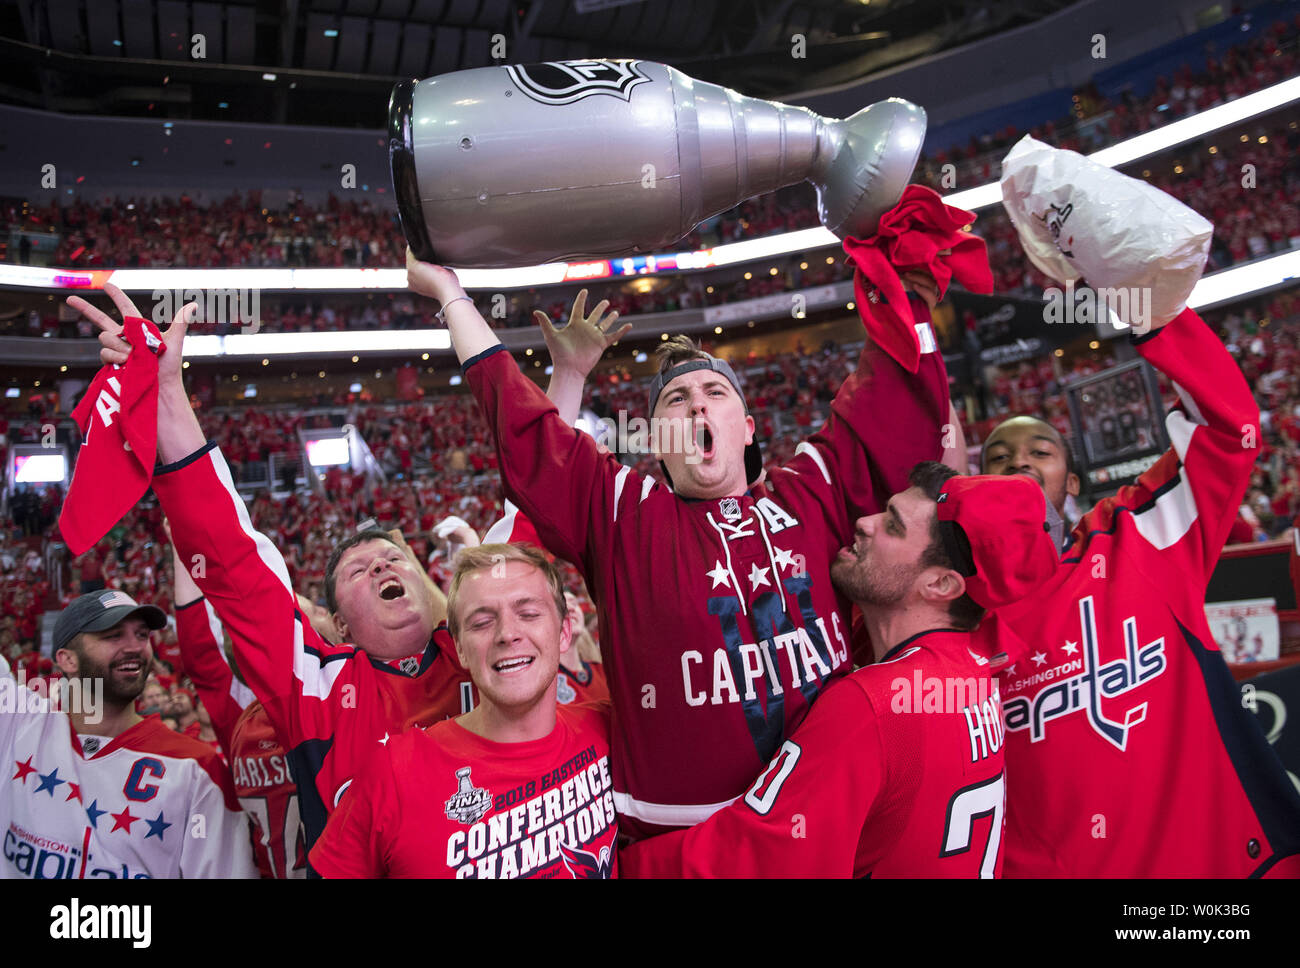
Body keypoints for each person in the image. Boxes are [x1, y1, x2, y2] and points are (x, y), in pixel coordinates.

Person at [408, 199, 965, 838]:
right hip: (681, 846)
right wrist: (451, 296)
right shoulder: (621, 514)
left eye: (715, 392)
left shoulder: (810, 492)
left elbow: (890, 403)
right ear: (654, 438)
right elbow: (526, 430)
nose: (696, 403)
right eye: (676, 398)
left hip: (831, 834)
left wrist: (896, 280)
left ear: (748, 428)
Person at [70, 284, 477, 861]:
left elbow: (537, 537)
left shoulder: (485, 650)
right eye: (360, 568)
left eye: (393, 557)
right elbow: (234, 558)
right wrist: (166, 395)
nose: (383, 561)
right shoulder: (316, 685)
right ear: (339, 625)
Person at [979, 310, 1300, 872]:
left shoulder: (1134, 535)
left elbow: (1227, 432)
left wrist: (1152, 308)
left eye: (1040, 451)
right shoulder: (955, 610)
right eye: (998, 458)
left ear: (1072, 484)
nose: (1019, 462)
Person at [623, 463, 1056, 877]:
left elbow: (754, 859)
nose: (865, 522)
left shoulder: (873, 705)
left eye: (892, 524)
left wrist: (617, 861)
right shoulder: (975, 664)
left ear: (941, 585)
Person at [309, 543, 616, 879]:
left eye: (528, 614)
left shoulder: (609, 731)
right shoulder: (392, 774)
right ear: (460, 650)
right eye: (482, 622)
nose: (508, 634)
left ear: (564, 632)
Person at [0, 589, 255, 879]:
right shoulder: (19, 722)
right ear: (67, 659)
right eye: (113, 636)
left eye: (142, 635)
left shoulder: (195, 769)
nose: (135, 646)